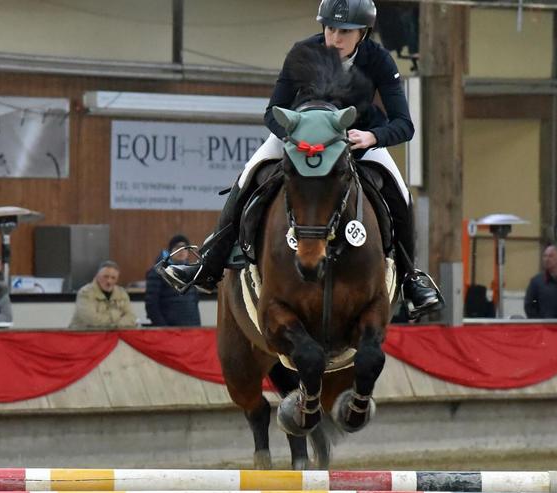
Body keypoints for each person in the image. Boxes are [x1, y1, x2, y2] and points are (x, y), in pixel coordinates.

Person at [156, 0, 442, 320]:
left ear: (363, 32)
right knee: (248, 177)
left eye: (345, 31)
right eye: (330, 28)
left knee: (399, 193)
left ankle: (411, 278)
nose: (335, 37)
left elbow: (404, 124)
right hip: (299, 139)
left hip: (356, 139)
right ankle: (208, 264)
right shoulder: (302, 52)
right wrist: (292, 138)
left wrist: (372, 137)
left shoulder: (379, 60)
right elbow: (272, 112)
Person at [145, 234, 201, 327]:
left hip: (192, 328)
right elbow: (151, 304)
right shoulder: (158, 272)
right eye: (178, 247)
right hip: (168, 330)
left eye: (185, 248)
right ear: (170, 251)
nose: (182, 251)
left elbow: (195, 302)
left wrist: (197, 326)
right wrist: (163, 328)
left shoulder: (193, 271)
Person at [70, 261, 137, 329]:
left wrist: (117, 325)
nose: (109, 281)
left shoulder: (122, 293)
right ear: (97, 276)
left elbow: (131, 317)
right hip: (84, 336)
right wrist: (116, 316)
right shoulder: (85, 293)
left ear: (117, 279)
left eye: (113, 278)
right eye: (105, 276)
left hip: (111, 336)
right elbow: (92, 320)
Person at [524, 244, 557, 319]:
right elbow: (529, 305)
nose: (547, 259)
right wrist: (539, 323)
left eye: (551, 256)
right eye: (545, 256)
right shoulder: (536, 282)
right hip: (545, 327)